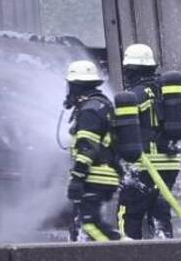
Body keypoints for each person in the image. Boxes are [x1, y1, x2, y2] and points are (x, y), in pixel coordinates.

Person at [117, 43, 181, 239]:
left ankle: (127, 253)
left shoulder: (133, 96)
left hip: (144, 166)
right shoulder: (165, 91)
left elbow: (120, 131)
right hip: (170, 164)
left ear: (130, 70)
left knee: (129, 215)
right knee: (160, 214)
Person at [63, 59, 123, 242]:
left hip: (95, 176)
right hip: (104, 175)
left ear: (77, 86)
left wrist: (77, 179)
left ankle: (120, 252)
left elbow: (87, 148)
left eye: (71, 86)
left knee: (88, 225)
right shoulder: (102, 104)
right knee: (86, 224)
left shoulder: (89, 111)